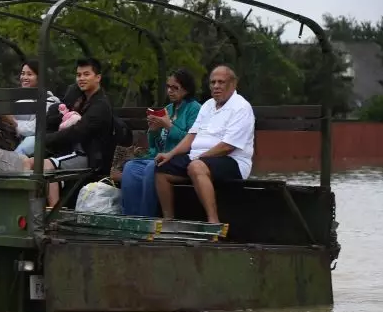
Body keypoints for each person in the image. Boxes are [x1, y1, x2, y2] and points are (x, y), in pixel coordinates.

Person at [153, 65, 255, 225]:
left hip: (232, 161)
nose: (216, 86)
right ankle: (168, 221)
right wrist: (170, 154)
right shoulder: (207, 105)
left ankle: (213, 222)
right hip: (199, 158)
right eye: (212, 82)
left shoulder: (241, 107)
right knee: (161, 167)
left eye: (221, 82)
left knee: (196, 167)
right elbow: (191, 136)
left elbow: (228, 146)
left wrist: (198, 158)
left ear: (233, 84)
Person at [119, 69, 202, 216]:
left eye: (175, 88)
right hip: (159, 156)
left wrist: (168, 126)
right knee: (131, 167)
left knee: (153, 168)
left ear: (187, 89)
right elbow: (155, 145)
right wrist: (154, 129)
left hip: (180, 159)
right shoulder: (168, 109)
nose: (170, 91)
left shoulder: (195, 109)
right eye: (168, 87)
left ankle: (146, 216)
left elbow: (191, 140)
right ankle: (130, 216)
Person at [39, 57, 114, 206]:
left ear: (98, 78)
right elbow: (60, 113)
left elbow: (77, 132)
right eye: (79, 75)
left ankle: (54, 213)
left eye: (86, 74)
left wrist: (45, 140)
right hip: (71, 151)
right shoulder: (79, 99)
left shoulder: (100, 105)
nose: (81, 79)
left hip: (90, 157)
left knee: (45, 165)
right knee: (29, 161)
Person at [13, 59, 61, 157]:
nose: (24, 77)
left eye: (29, 74)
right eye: (23, 73)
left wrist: (13, 123)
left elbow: (34, 128)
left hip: (40, 144)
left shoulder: (51, 101)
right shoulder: (22, 100)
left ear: (40, 78)